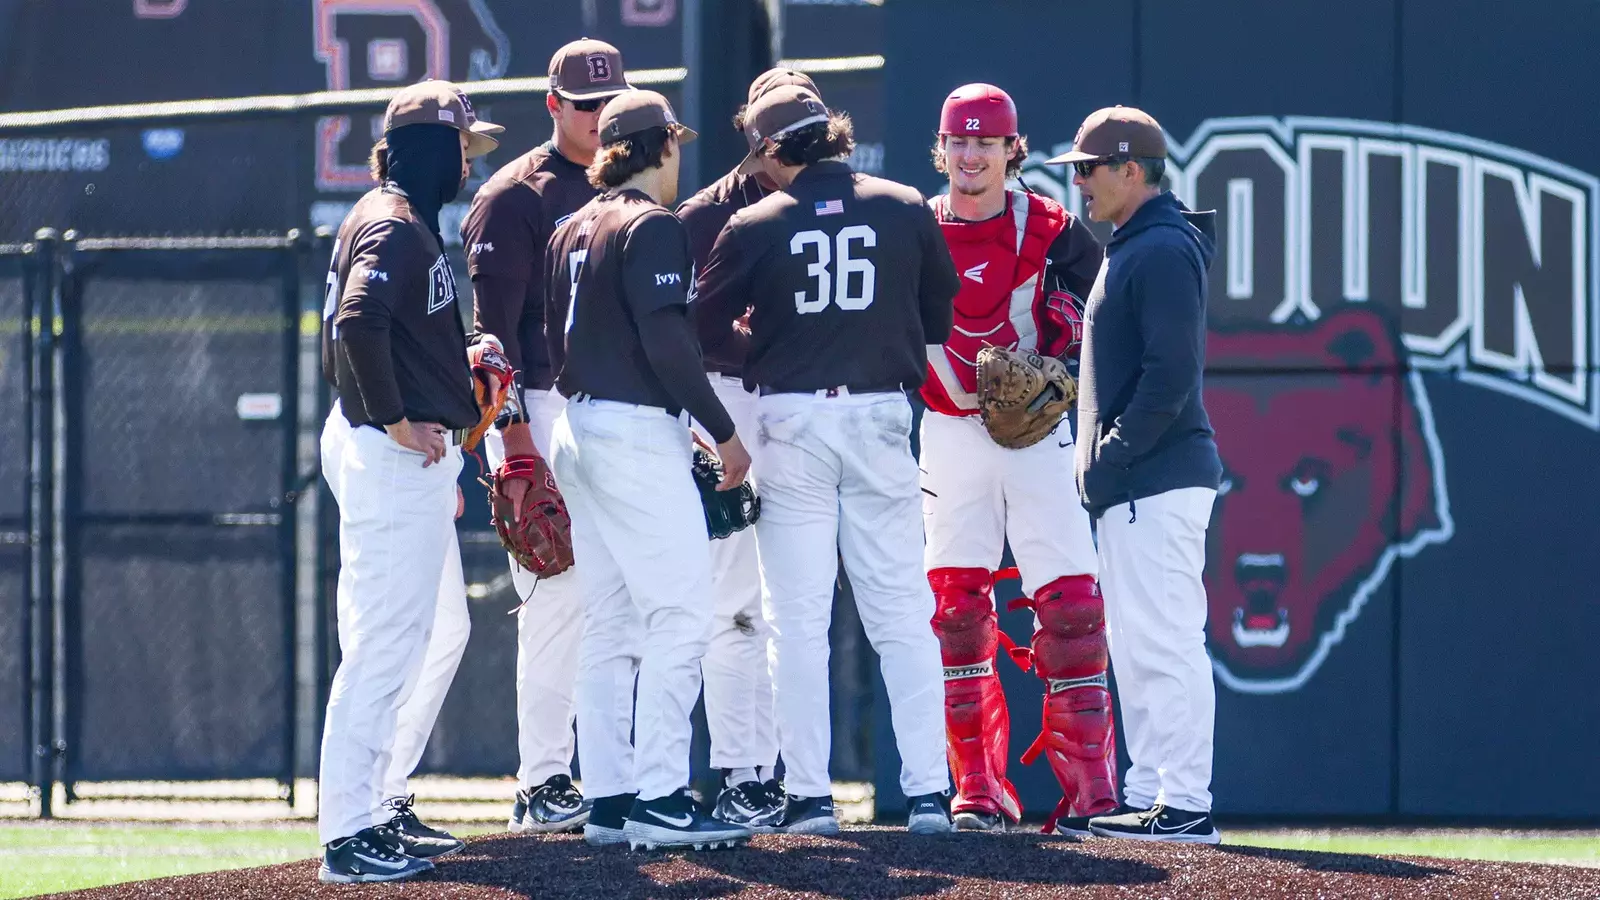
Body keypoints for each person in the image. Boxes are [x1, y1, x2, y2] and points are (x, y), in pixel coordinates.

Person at [694, 84, 961, 836]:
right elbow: (937, 317)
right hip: (880, 414)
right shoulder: (907, 203)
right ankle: (930, 796)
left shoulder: (754, 220)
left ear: (777, 150)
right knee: (904, 615)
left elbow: (701, 330)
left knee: (798, 622)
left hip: (795, 418)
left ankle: (810, 797)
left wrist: (772, 349)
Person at [543, 89, 756, 851]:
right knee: (680, 615)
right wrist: (724, 432)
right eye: (675, 144)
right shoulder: (653, 223)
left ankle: (607, 797)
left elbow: (553, 340)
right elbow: (670, 344)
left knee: (610, 622)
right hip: (629, 430)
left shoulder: (571, 224)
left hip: (580, 426)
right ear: (662, 146)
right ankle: (661, 794)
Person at [316, 79, 502, 883]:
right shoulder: (394, 225)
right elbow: (358, 322)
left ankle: (381, 800)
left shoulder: (399, 219)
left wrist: (446, 376)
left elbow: (384, 326)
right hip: (390, 454)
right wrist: (396, 416)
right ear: (428, 150)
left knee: (441, 630)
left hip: (397, 451)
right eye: (460, 145)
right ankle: (348, 834)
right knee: (384, 644)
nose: (467, 159)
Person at [920, 83, 1119, 836]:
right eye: (959, 142)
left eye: (986, 142)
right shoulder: (912, 225)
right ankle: (977, 785)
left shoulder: (1055, 226)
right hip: (947, 427)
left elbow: (1098, 304)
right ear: (942, 149)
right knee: (958, 614)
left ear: (1012, 150)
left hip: (1037, 433)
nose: (971, 156)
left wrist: (1062, 344)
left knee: (1071, 607)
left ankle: (1092, 789)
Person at [457, 36, 631, 834]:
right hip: (539, 404)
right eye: (584, 105)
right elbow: (494, 339)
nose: (598, 118)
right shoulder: (513, 195)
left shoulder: (634, 182)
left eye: (608, 103)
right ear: (552, 103)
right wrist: (516, 440)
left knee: (623, 595)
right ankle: (542, 778)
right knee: (558, 589)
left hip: (617, 404)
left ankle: (615, 771)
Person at [1046, 105, 1224, 844]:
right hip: (1134, 486)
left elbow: (1171, 373)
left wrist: (1112, 452)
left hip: (1154, 475)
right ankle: (1154, 791)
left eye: (1089, 169)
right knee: (1140, 643)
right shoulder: (1139, 245)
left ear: (1130, 169)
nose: (1080, 182)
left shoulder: (1160, 249)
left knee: (1168, 641)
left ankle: (1184, 802)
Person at [672, 65, 819, 832]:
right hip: (726, 402)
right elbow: (682, 327)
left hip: (803, 407)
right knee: (732, 602)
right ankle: (741, 773)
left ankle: (796, 775)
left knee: (792, 603)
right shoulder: (705, 214)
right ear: (751, 132)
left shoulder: (835, 201)